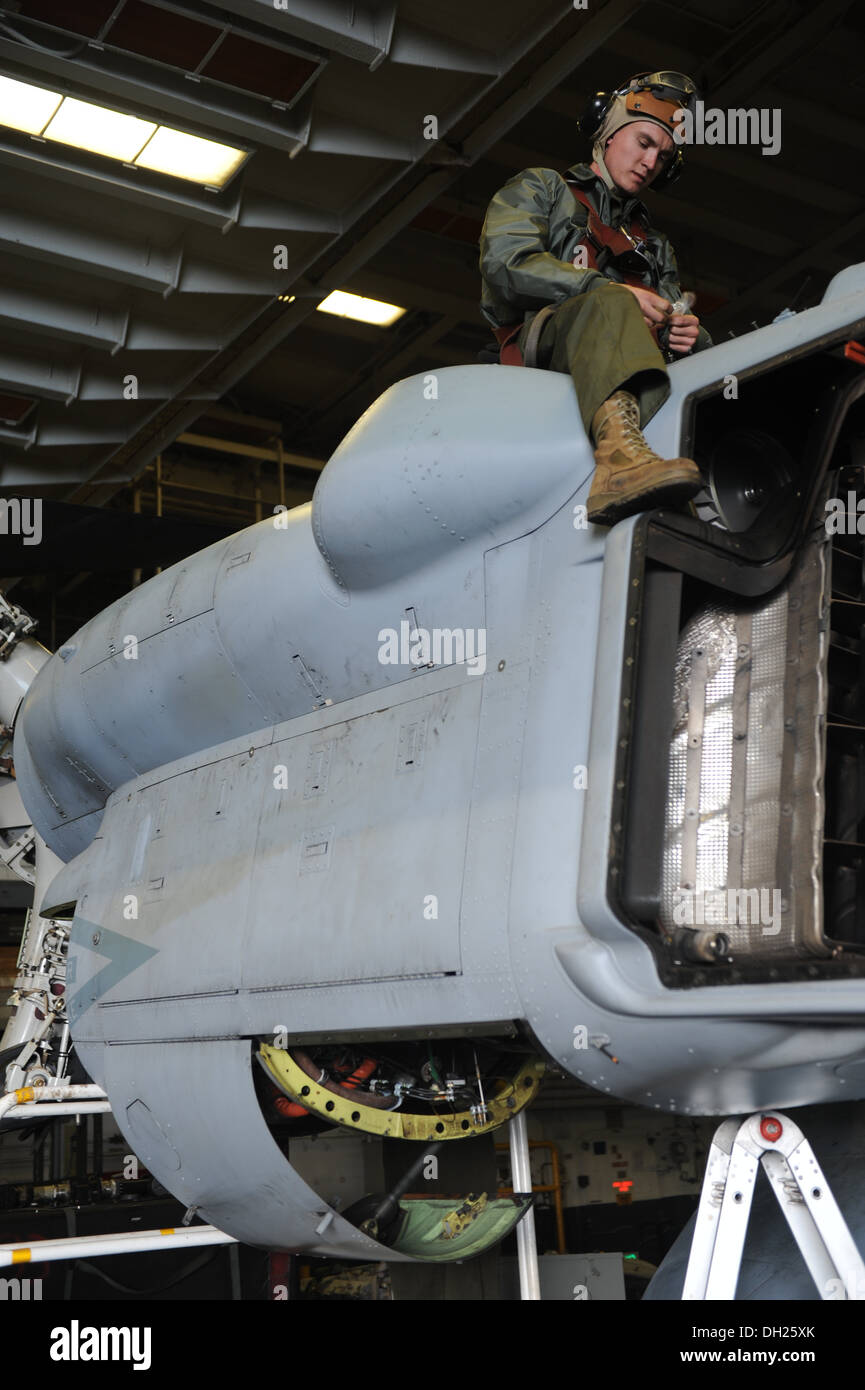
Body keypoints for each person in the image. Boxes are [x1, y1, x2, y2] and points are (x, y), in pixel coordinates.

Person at [479, 71, 713, 525]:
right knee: (611, 303)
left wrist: (690, 334)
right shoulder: (542, 189)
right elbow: (504, 263)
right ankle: (619, 467)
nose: (650, 162)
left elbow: (673, 317)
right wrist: (603, 288)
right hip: (540, 350)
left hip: (631, 364)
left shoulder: (654, 244)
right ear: (606, 131)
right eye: (643, 142)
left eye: (663, 157)